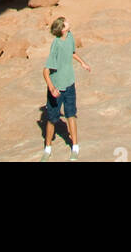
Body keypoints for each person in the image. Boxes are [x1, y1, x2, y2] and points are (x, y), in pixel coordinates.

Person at [40, 16, 91, 161]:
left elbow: (72, 53)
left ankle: (75, 147)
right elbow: (45, 70)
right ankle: (47, 148)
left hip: (69, 84)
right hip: (56, 88)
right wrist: (51, 88)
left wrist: (83, 63)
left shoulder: (70, 36)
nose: (69, 22)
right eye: (66, 22)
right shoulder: (56, 44)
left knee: (71, 114)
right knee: (52, 119)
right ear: (62, 29)